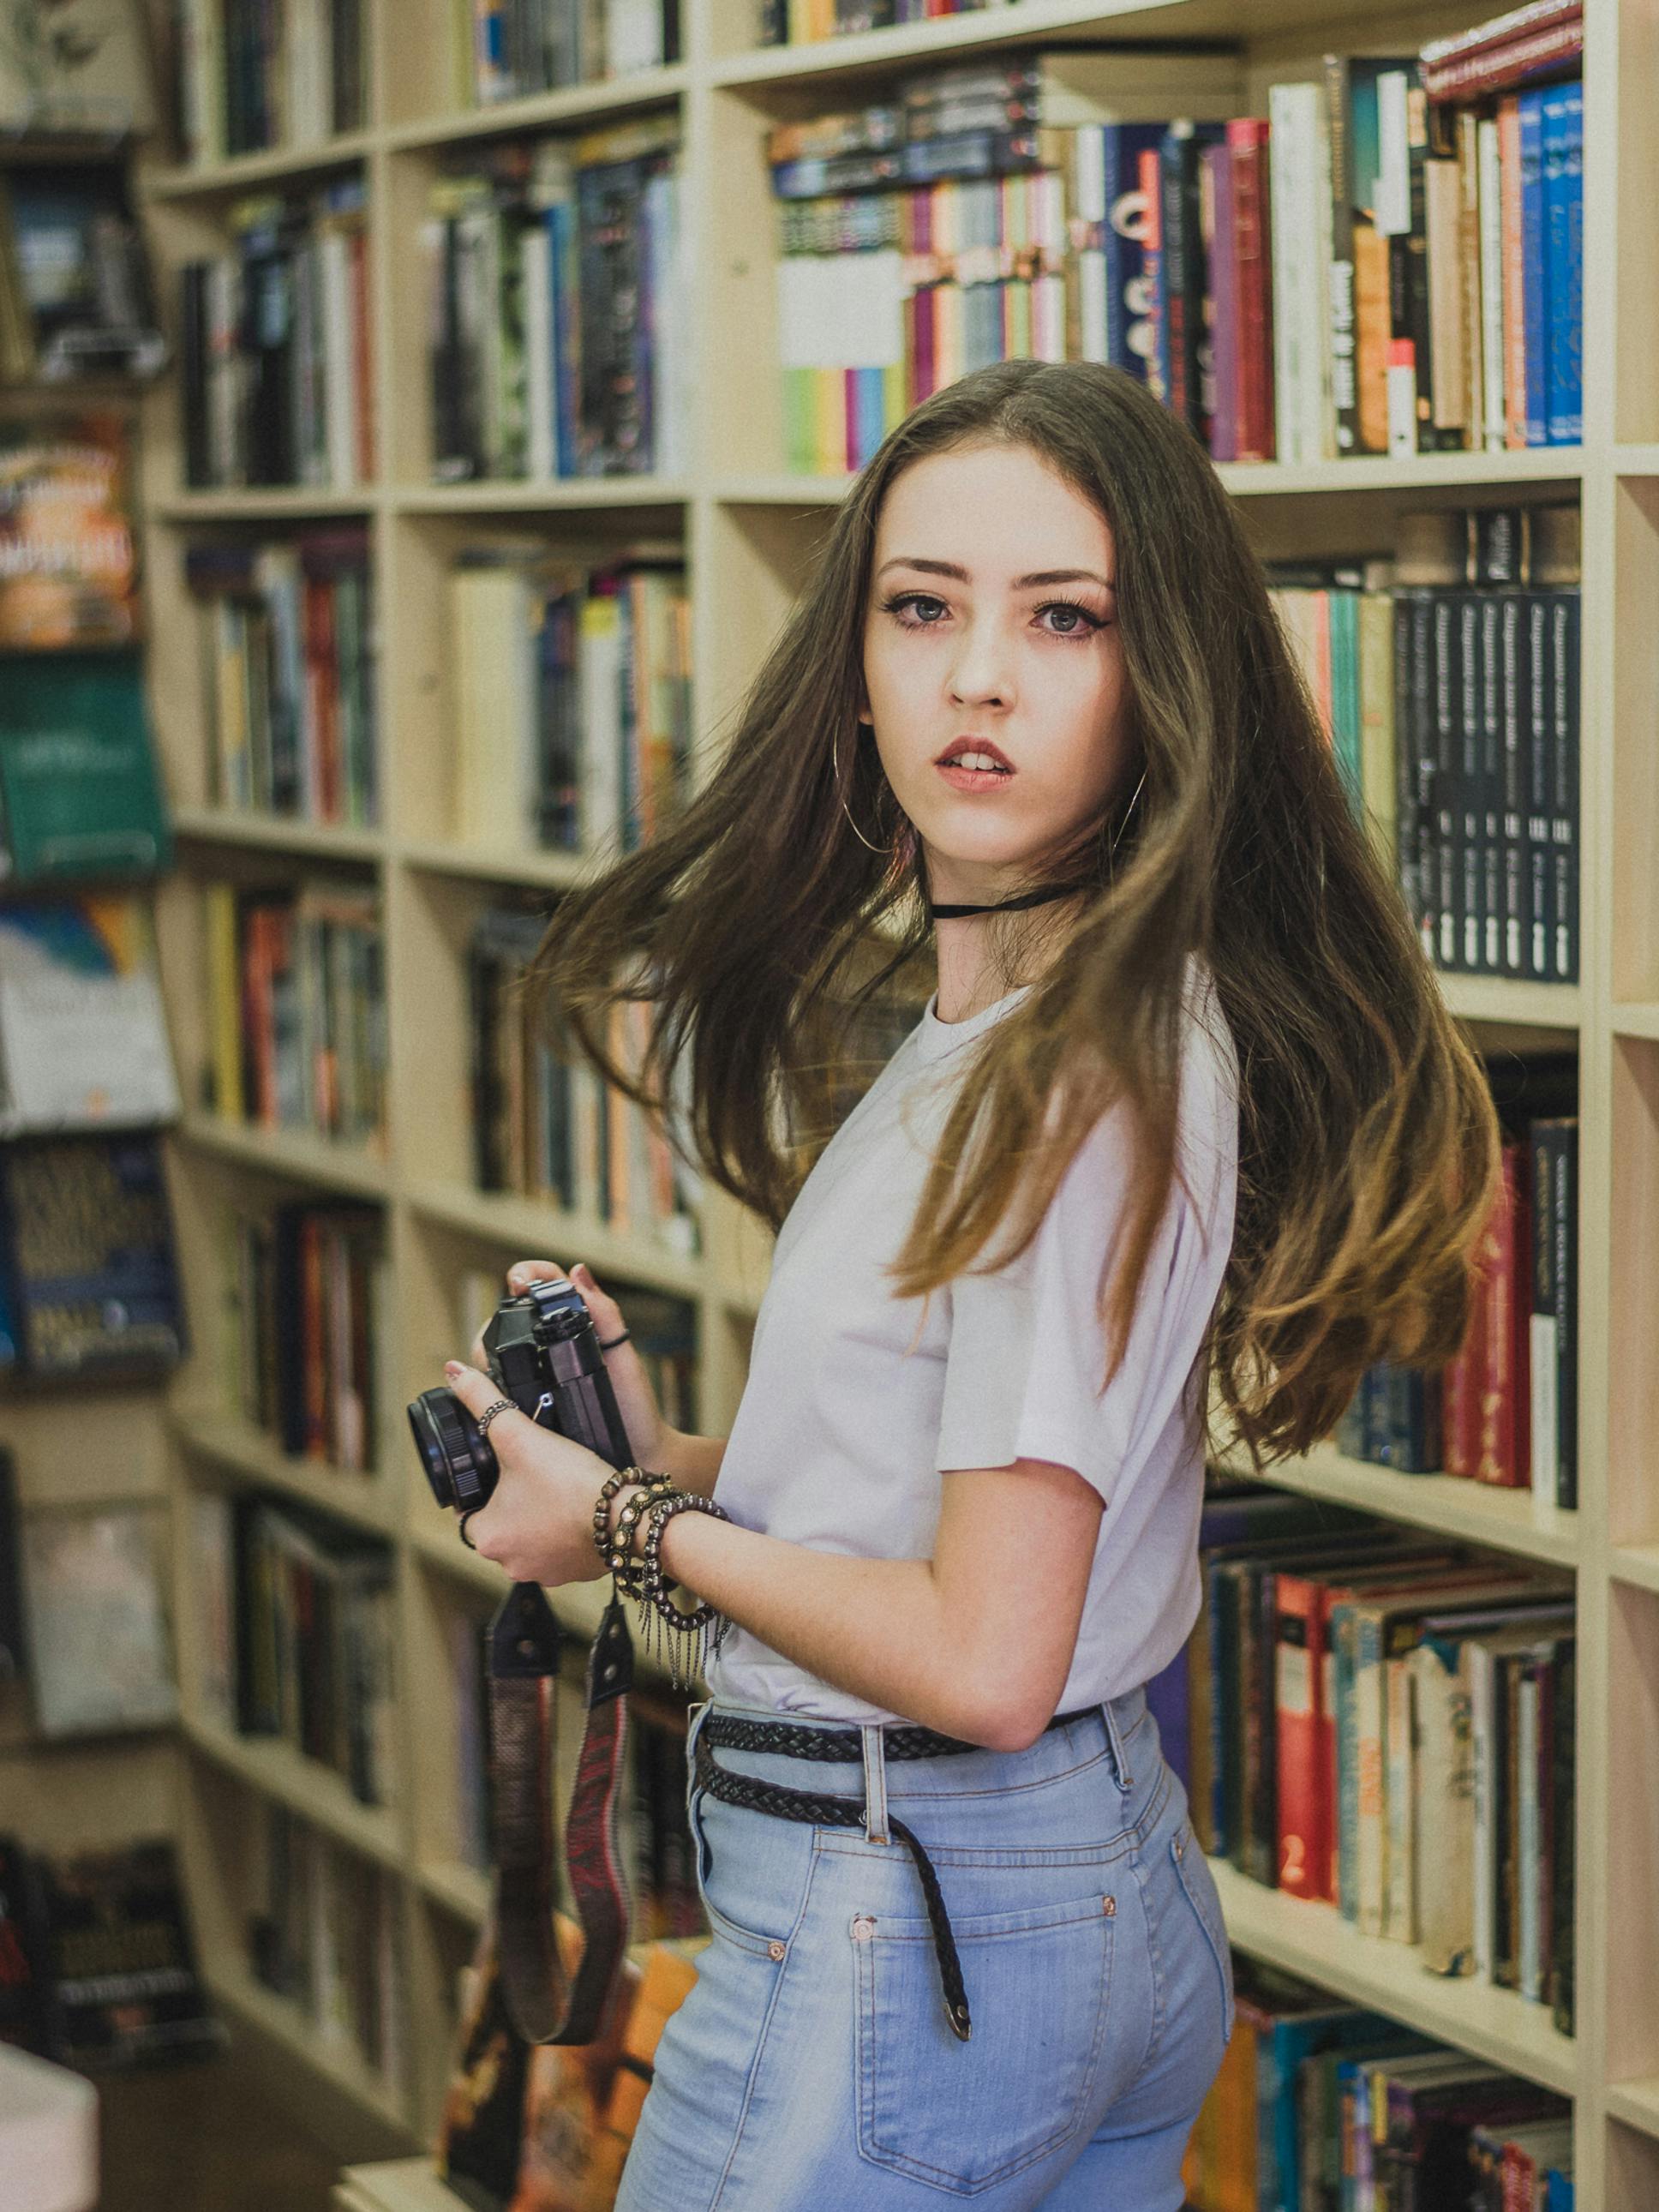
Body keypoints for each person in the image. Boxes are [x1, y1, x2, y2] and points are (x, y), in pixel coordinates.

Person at [441, 359, 1500, 2209]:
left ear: (1162, 678)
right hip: (1054, 1903)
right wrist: (672, 1452)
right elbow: (942, 1515)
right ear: (852, 665)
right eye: (920, 607)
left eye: (1062, 617)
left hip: (902, 1920)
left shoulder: (1063, 1081)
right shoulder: (1045, 1026)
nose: (976, 676)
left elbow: (984, 1658)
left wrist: (615, 1527)